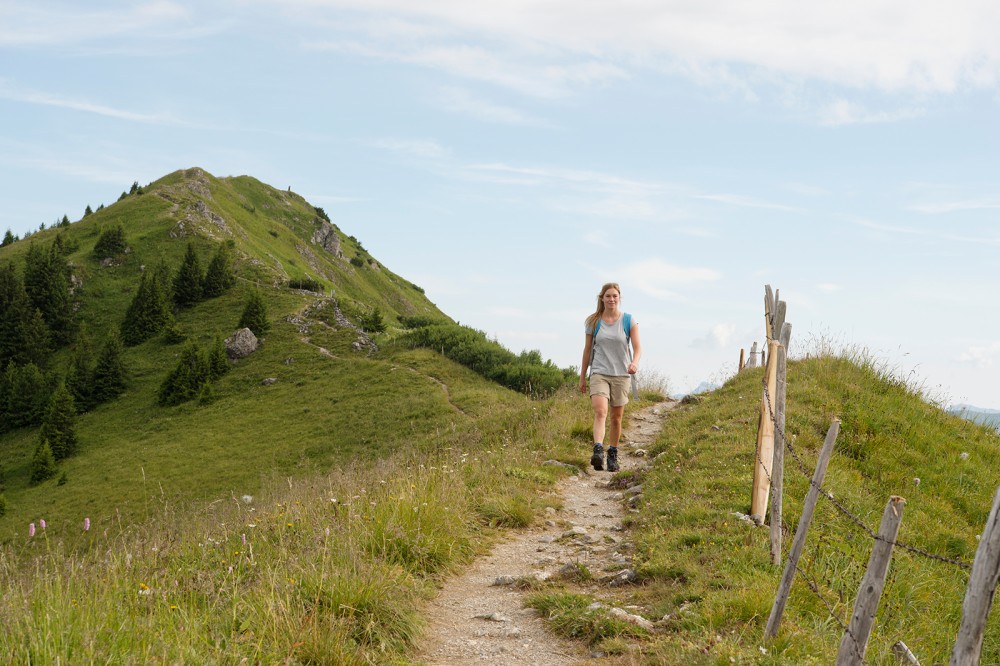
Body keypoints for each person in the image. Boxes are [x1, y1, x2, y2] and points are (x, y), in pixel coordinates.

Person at [578, 282, 641, 472]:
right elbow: (587, 350)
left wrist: (635, 363)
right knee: (600, 411)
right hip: (599, 372)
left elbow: (638, 347)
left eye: (614, 296)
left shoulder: (629, 320)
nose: (611, 299)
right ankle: (598, 450)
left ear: (619, 298)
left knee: (616, 418)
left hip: (622, 374)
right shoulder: (593, 321)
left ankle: (612, 453)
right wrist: (582, 377)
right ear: (602, 298)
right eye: (608, 296)